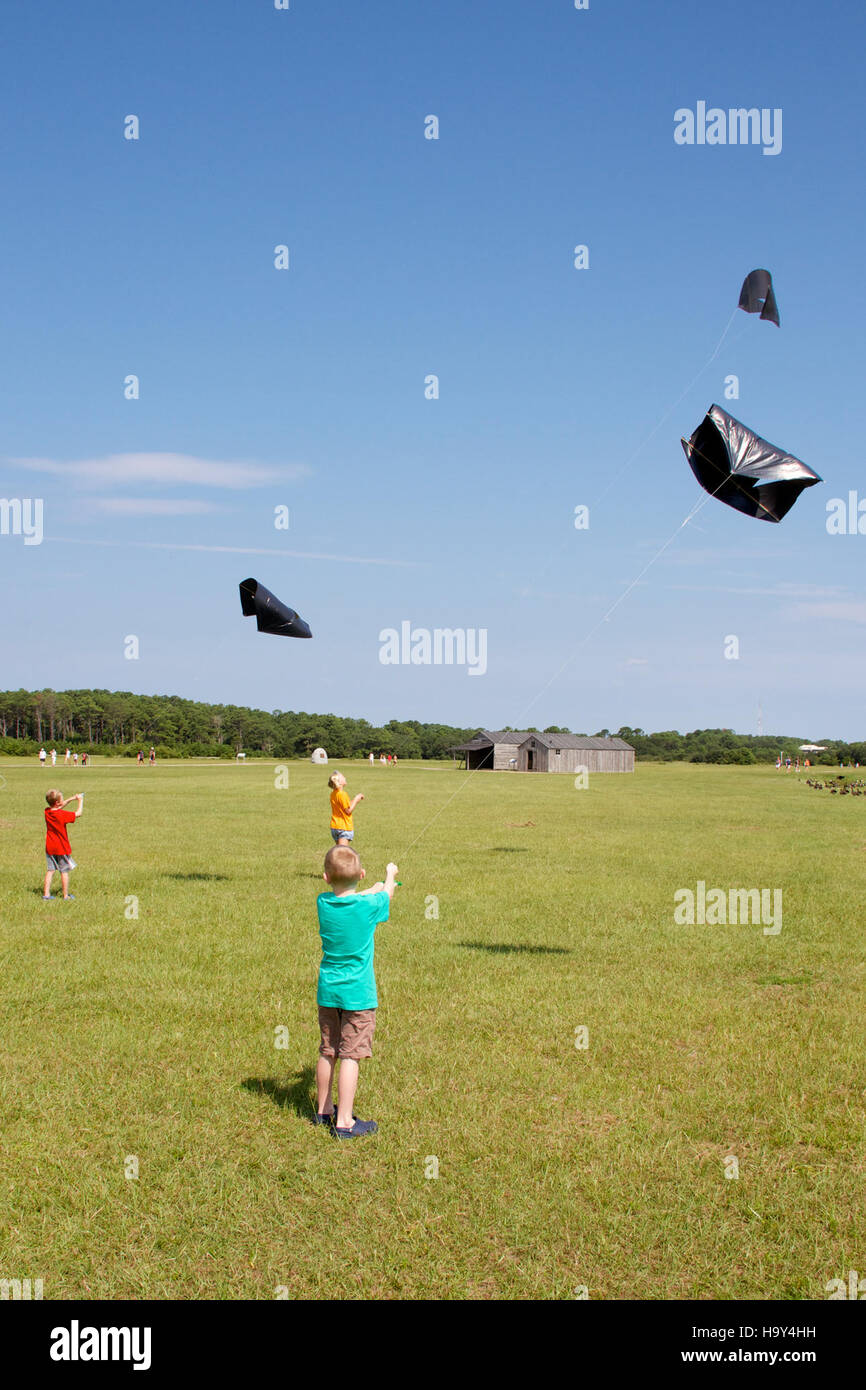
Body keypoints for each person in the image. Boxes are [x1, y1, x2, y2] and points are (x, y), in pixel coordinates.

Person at [313, 845, 398, 1138]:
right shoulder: (369, 906)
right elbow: (386, 895)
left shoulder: (323, 903)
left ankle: (323, 1111)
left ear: (325, 877)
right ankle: (345, 1122)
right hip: (358, 996)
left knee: (328, 1050)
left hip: (328, 993)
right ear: (361, 874)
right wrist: (389, 874)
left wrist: (367, 890)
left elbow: (350, 898)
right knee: (351, 1055)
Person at [42, 788, 84, 901]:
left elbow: (59, 807)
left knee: (50, 870)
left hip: (50, 847)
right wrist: (80, 801)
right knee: (64, 871)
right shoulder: (61, 814)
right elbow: (78, 813)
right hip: (61, 848)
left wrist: (72, 798)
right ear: (57, 802)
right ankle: (65, 896)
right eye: (62, 799)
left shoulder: (47, 811)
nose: (63, 801)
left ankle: (46, 895)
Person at [328, 771, 363, 846]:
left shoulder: (334, 793)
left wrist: (355, 798)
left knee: (339, 852)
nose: (345, 778)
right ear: (339, 782)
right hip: (343, 827)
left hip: (335, 826)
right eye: (343, 777)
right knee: (342, 853)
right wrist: (356, 800)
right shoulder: (342, 794)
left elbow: (346, 806)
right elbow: (348, 810)